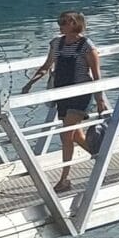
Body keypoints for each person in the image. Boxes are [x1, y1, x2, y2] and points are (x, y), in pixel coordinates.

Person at [20, 10, 102, 189]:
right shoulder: (57, 43)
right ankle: (101, 157)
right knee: (76, 135)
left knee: (66, 135)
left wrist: (100, 99)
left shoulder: (87, 46)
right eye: (60, 21)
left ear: (75, 23)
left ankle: (64, 179)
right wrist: (30, 83)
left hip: (80, 94)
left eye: (64, 22)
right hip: (61, 93)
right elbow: (47, 66)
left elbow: (96, 75)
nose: (61, 25)